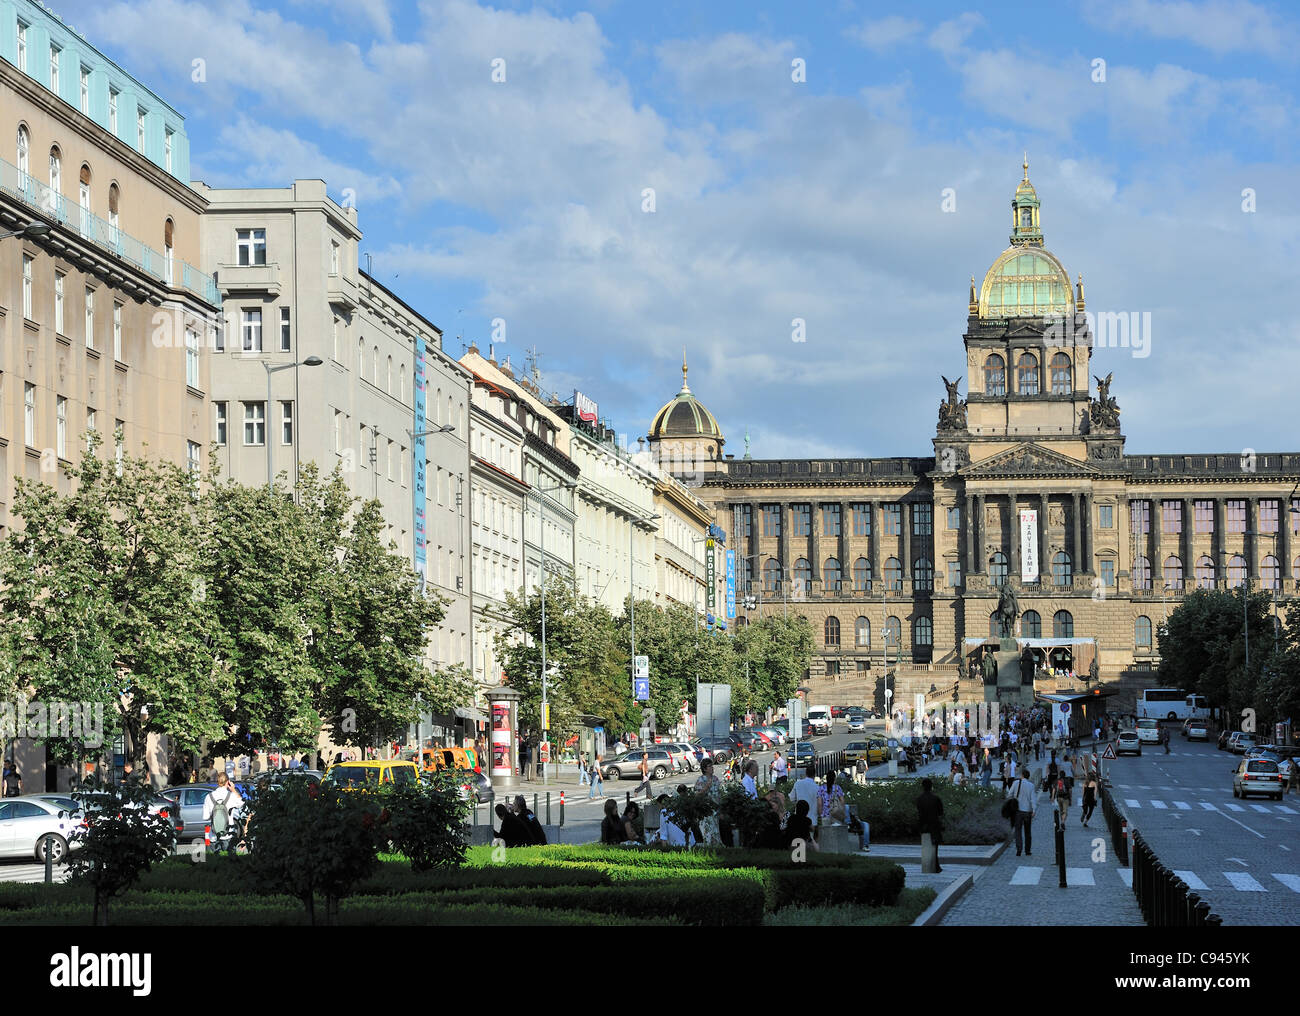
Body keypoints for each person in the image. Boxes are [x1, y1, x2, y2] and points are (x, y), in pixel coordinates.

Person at [203, 772, 245, 852]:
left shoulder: (209, 797)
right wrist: (233, 790)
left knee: (215, 862)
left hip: (213, 836)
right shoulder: (231, 796)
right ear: (228, 782)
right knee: (229, 862)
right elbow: (242, 803)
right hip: (228, 835)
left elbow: (206, 817)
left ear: (217, 782)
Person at [915, 778, 944, 872]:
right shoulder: (936, 798)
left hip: (923, 825)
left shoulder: (919, 799)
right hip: (934, 825)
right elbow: (941, 812)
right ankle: (935, 865)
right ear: (931, 786)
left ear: (922, 786)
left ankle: (932, 865)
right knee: (935, 846)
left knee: (926, 847)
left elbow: (919, 812)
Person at [1006, 767, 1036, 856]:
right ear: (1028, 776)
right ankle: (1027, 850)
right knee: (1028, 831)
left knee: (1018, 831)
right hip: (1027, 811)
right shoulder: (1031, 785)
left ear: (1022, 775)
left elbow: (1009, 795)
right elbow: (1033, 799)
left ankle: (1019, 849)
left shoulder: (1015, 783)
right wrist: (1034, 810)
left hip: (1018, 811)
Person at [788, 764, 820, 839]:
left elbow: (792, 798)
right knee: (810, 841)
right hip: (812, 820)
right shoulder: (817, 788)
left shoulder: (798, 784)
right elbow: (819, 804)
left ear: (806, 773)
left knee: (798, 842)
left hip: (799, 819)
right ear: (814, 774)